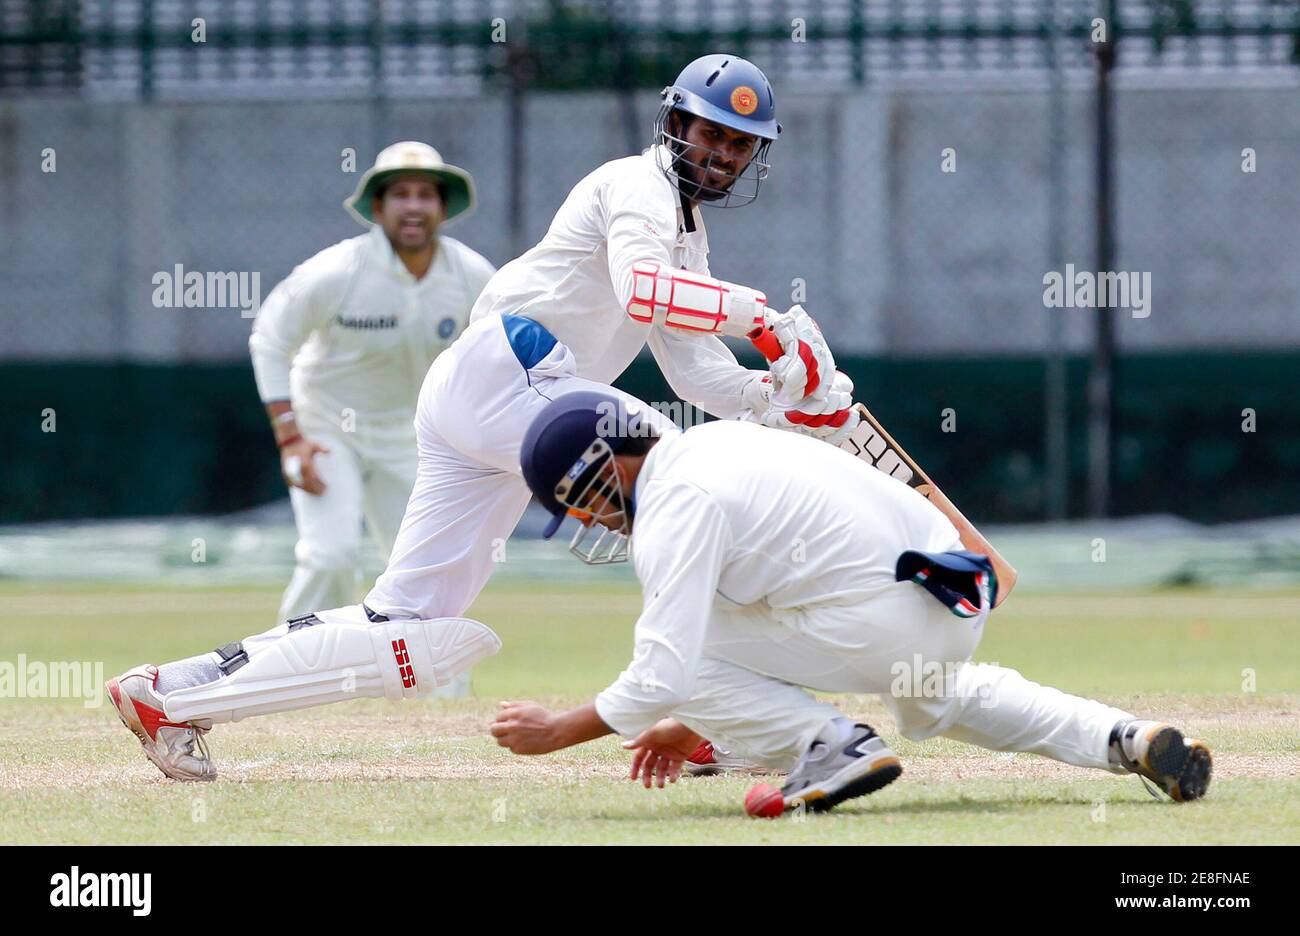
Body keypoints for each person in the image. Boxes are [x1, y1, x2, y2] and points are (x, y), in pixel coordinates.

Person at [106, 54, 857, 781]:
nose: (722, 154)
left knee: (405, 628)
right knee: (696, 492)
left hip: (494, 397)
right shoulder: (635, 185)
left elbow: (695, 370)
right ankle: (724, 726)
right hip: (516, 374)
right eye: (710, 132)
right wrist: (765, 318)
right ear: (674, 123)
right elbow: (642, 292)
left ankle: (169, 695)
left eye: (738, 143)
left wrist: (778, 396)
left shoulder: (688, 233)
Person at [490, 392, 1214, 811]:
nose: (590, 520)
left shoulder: (675, 504)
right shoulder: (718, 440)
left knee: (677, 649)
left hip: (878, 615)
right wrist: (697, 723)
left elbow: (665, 673)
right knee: (938, 699)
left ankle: (830, 747)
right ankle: (1126, 738)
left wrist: (556, 731)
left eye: (581, 501)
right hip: (956, 589)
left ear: (611, 463)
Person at [250, 141, 495, 637]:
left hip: (416, 440)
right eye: (400, 194)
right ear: (377, 208)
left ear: (442, 208)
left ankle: (444, 704)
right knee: (330, 557)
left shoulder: (472, 276)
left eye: (426, 194)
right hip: (326, 431)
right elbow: (270, 340)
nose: (413, 206)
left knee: (432, 573)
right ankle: (287, 674)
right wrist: (291, 438)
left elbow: (497, 356)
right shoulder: (335, 271)